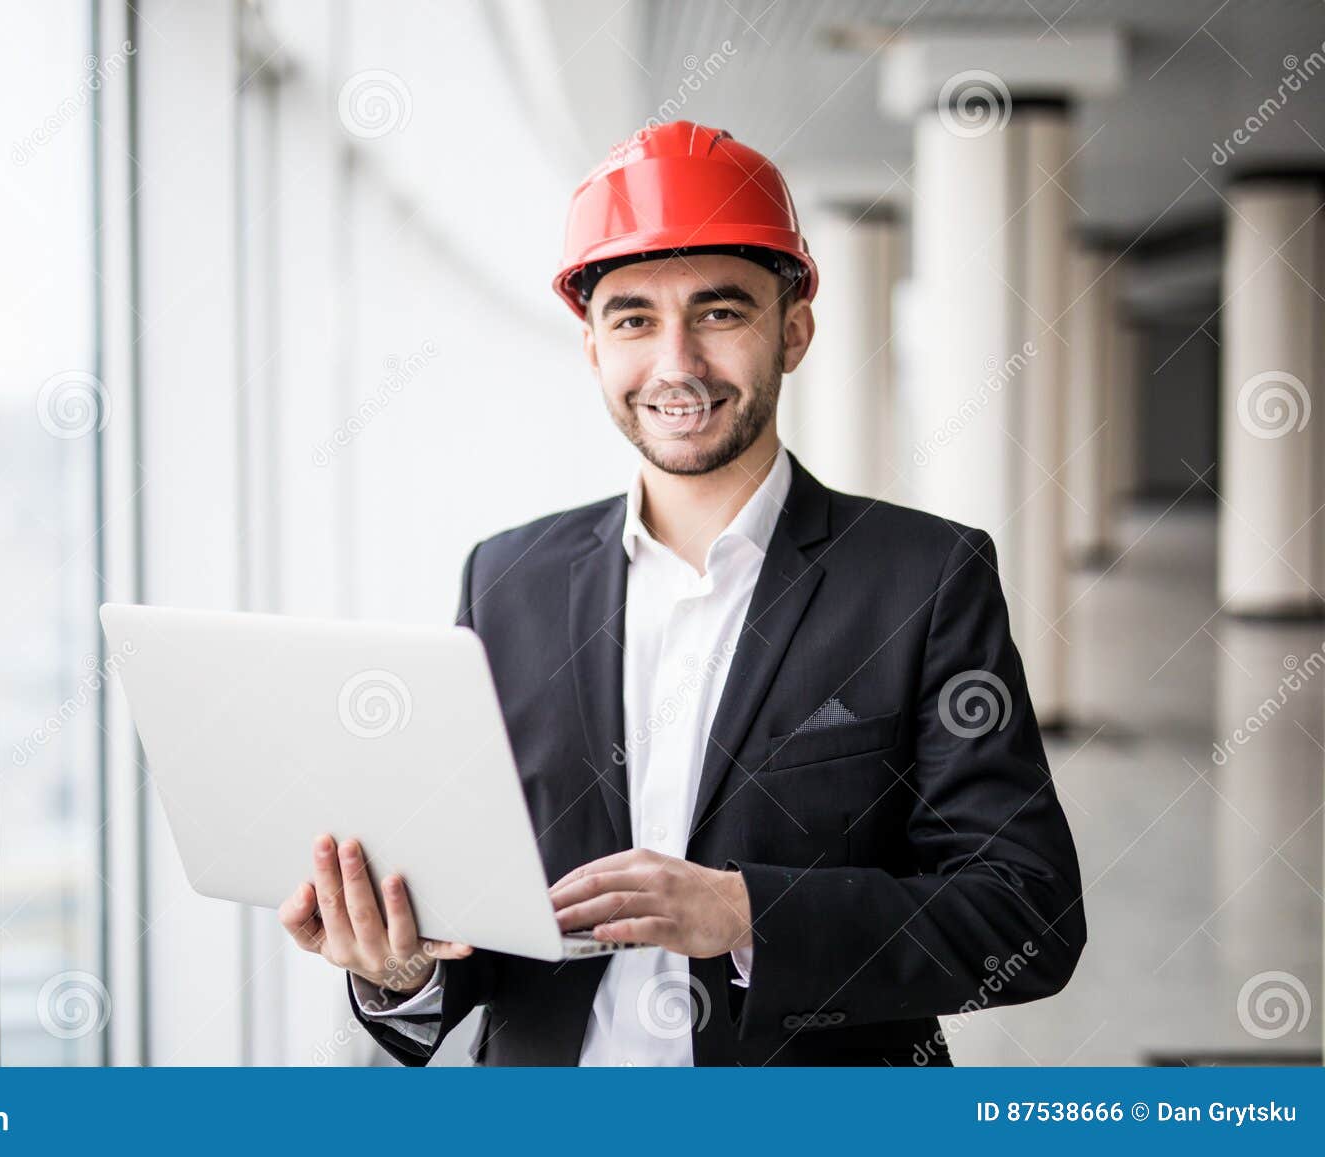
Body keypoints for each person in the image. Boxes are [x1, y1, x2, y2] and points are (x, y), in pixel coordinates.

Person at [278, 120, 1086, 1066]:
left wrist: (747, 914)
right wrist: (401, 968)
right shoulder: (507, 582)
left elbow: (1025, 908)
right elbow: (487, 919)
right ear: (591, 345)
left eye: (719, 312)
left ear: (794, 327)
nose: (677, 364)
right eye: (633, 319)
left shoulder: (923, 578)